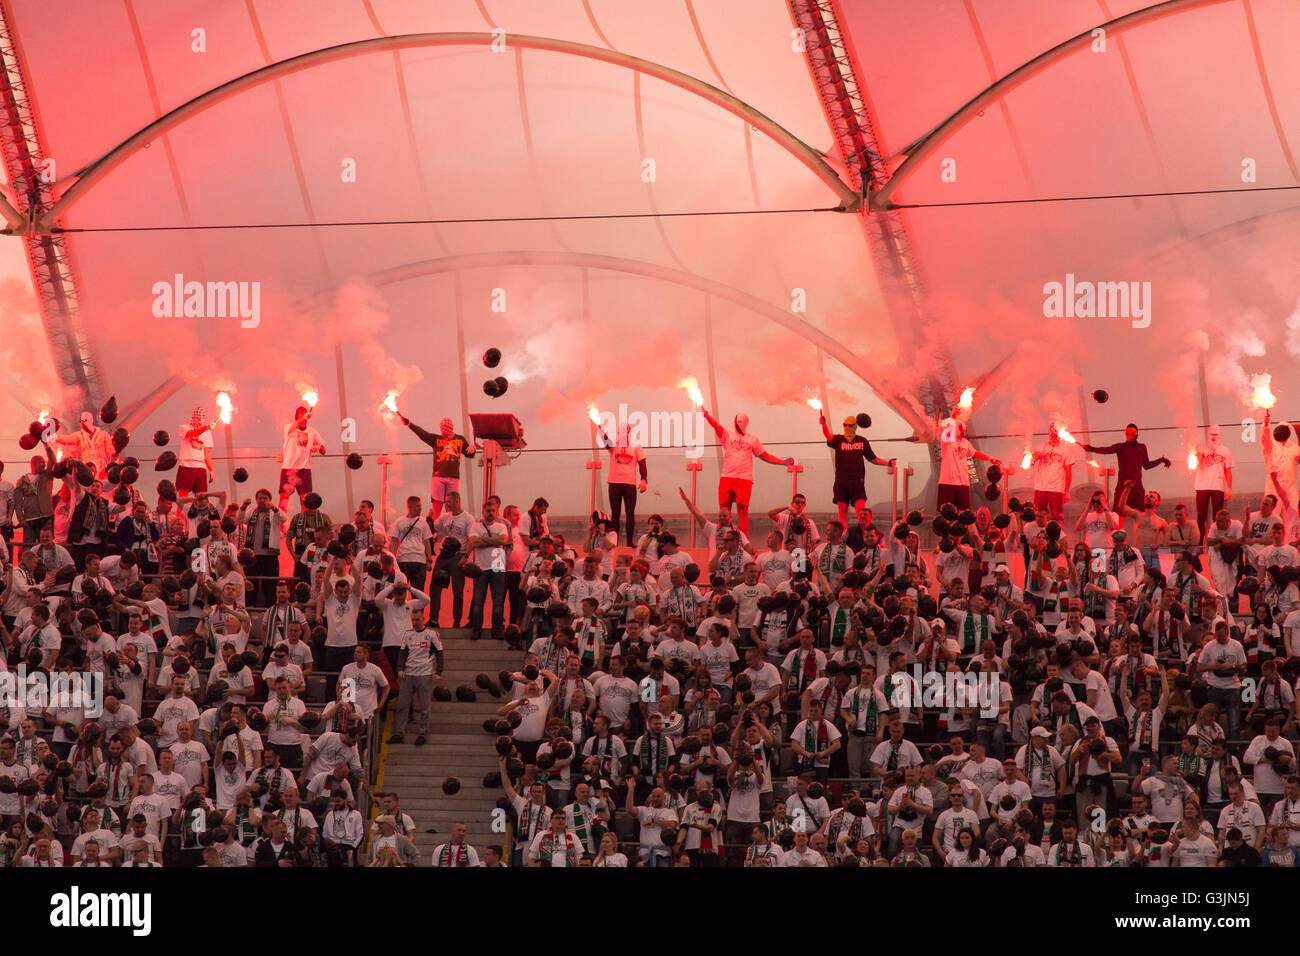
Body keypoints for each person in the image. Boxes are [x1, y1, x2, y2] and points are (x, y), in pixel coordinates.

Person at [698, 407, 793, 535]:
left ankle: (743, 539)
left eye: (740, 422)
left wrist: (783, 462)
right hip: (727, 476)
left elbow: (764, 455)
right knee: (724, 510)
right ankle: (722, 537)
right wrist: (707, 416)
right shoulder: (727, 434)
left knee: (742, 510)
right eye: (737, 422)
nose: (738, 424)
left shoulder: (752, 439)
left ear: (745, 423)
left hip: (744, 479)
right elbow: (716, 426)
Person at [1081, 423, 1171, 522]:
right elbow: (1106, 450)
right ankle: (1117, 536)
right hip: (1122, 487)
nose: (1129, 436)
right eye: (1127, 434)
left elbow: (1146, 465)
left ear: (1136, 435)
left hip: (1137, 487)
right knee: (1118, 516)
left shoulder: (1141, 447)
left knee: (1141, 518)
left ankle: (1140, 536)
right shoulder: (1121, 447)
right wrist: (1091, 448)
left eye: (1132, 434)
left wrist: (1161, 460)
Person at [396, 412, 477, 522]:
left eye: (445, 430)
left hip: (453, 478)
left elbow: (469, 454)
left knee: (451, 505)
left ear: (450, 429)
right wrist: (410, 424)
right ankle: (433, 528)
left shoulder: (460, 439)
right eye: (442, 430)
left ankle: (450, 526)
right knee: (437, 505)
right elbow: (423, 434)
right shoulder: (436, 439)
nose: (443, 433)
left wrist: (472, 449)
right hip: (438, 477)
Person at [818, 412, 893, 527]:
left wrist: (887, 463)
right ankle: (842, 537)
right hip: (841, 482)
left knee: (861, 512)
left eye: (849, 425)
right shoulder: (838, 439)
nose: (846, 427)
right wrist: (823, 424)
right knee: (842, 511)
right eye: (844, 425)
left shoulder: (862, 441)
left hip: (857, 482)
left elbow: (872, 458)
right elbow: (828, 436)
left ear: (855, 426)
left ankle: (863, 537)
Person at [595, 422, 647, 545]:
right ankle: (615, 541)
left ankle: (629, 541)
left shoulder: (636, 447)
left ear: (629, 433)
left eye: (626, 432)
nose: (623, 434)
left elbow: (642, 464)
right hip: (614, 483)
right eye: (621, 432)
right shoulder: (615, 446)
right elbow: (606, 442)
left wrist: (644, 479)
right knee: (615, 514)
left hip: (629, 484)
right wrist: (600, 429)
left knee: (630, 513)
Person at [936, 414, 999, 511]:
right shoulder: (946, 441)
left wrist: (989, 458)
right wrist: (953, 416)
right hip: (947, 482)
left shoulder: (965, 442)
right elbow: (946, 428)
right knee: (946, 511)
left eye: (961, 427)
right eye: (958, 426)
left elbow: (975, 453)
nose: (960, 429)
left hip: (963, 482)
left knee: (963, 512)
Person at [1028, 424, 1081, 521]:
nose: (1053, 434)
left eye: (1055, 432)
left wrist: (1067, 491)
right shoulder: (1043, 445)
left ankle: (1057, 535)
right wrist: (1033, 459)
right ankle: (1040, 535)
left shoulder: (1066, 449)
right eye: (1051, 431)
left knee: (1057, 517)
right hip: (1040, 488)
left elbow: (1068, 472)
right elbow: (1037, 454)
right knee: (1038, 516)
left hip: (1056, 489)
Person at [277, 405, 325, 512]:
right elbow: (295, 426)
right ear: (296, 417)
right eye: (300, 416)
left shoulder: (312, 431)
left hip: (304, 469)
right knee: (283, 502)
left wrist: (319, 448)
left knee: (306, 502)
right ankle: (281, 528)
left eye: (304, 414)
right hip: (288, 468)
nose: (303, 418)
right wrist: (304, 418)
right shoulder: (289, 427)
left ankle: (303, 525)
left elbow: (322, 448)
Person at [176, 407, 216, 497]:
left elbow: (207, 452)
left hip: (200, 467)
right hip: (185, 465)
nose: (200, 419)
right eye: (198, 416)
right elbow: (193, 433)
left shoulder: (207, 432)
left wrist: (211, 469)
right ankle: (182, 511)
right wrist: (206, 427)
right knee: (183, 498)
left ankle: (199, 511)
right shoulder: (184, 428)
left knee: (201, 497)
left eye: (202, 417)